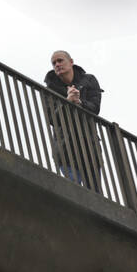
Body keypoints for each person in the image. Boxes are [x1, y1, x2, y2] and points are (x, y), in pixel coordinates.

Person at [42, 50, 104, 191]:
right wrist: (68, 102)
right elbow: (52, 118)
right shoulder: (49, 89)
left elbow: (95, 108)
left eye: (60, 60)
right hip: (65, 150)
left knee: (95, 195)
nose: (57, 64)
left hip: (90, 149)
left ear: (71, 62)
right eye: (54, 63)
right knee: (74, 191)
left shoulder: (89, 80)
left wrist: (79, 102)